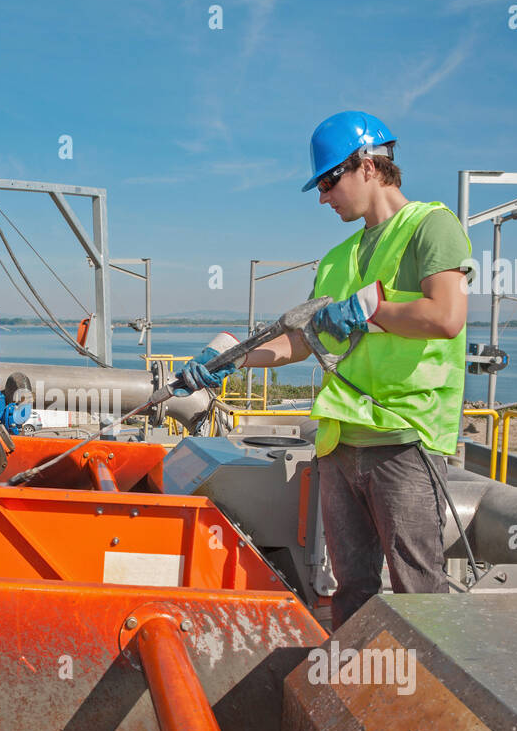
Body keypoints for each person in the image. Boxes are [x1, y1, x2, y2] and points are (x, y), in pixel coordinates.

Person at [178, 111, 473, 628]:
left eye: (328, 181)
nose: (323, 197)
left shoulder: (431, 227)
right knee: (350, 587)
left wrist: (373, 310)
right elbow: (299, 341)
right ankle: (352, 692)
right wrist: (229, 362)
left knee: (417, 588)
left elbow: (446, 317)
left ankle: (430, 699)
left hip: (404, 437)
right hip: (340, 442)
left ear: (367, 164)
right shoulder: (338, 258)